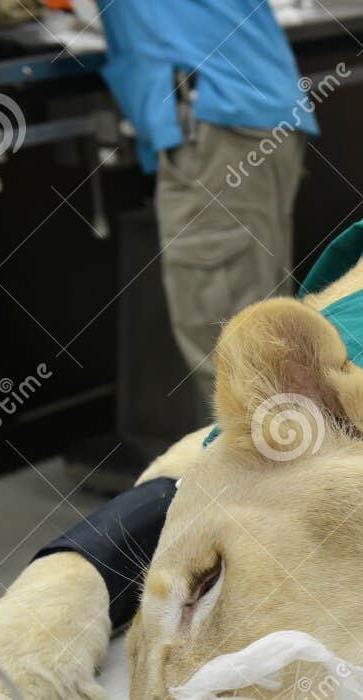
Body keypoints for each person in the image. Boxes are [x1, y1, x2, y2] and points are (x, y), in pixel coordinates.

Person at [98, 0, 312, 413]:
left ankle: (267, 475)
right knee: (260, 341)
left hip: (219, 117)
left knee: (235, 362)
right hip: (246, 108)